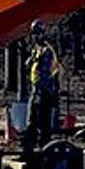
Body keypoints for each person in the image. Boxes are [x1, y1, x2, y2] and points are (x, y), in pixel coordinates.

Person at [22, 20, 61, 153]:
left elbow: (44, 74)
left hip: (43, 92)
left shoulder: (46, 51)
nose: (33, 37)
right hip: (38, 90)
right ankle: (34, 150)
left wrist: (39, 93)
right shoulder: (37, 50)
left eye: (36, 34)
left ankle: (39, 150)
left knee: (38, 122)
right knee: (36, 122)